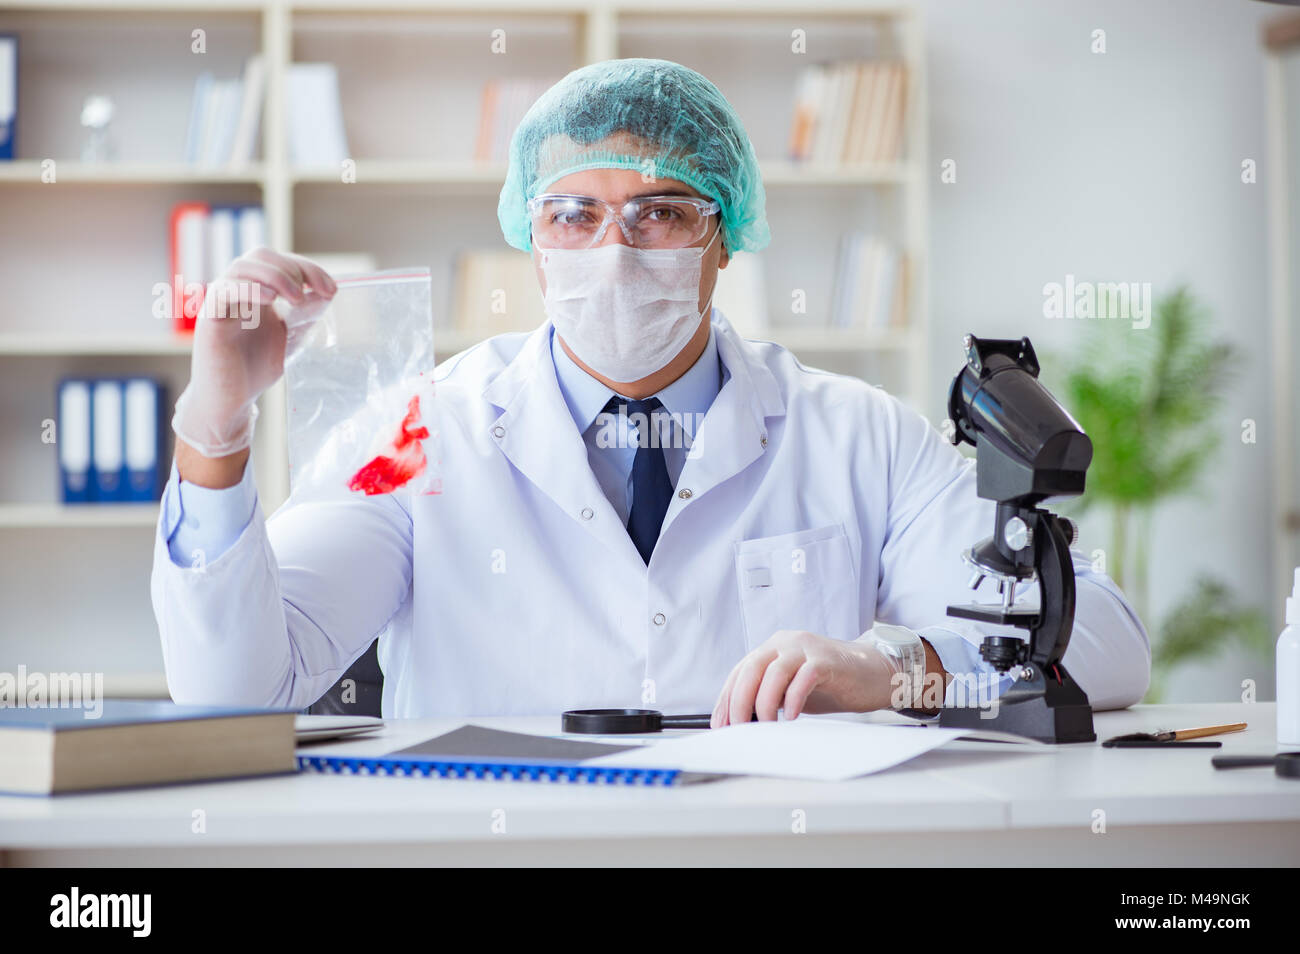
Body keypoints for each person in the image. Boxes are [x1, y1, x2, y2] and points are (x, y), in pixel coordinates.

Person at [152, 58, 1150, 723]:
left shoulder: (851, 433)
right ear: (532, 243)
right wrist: (217, 421)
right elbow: (231, 691)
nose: (615, 250)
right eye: (575, 213)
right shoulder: (421, 432)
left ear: (727, 237)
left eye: (662, 213)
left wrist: (898, 674)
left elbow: (1099, 642)